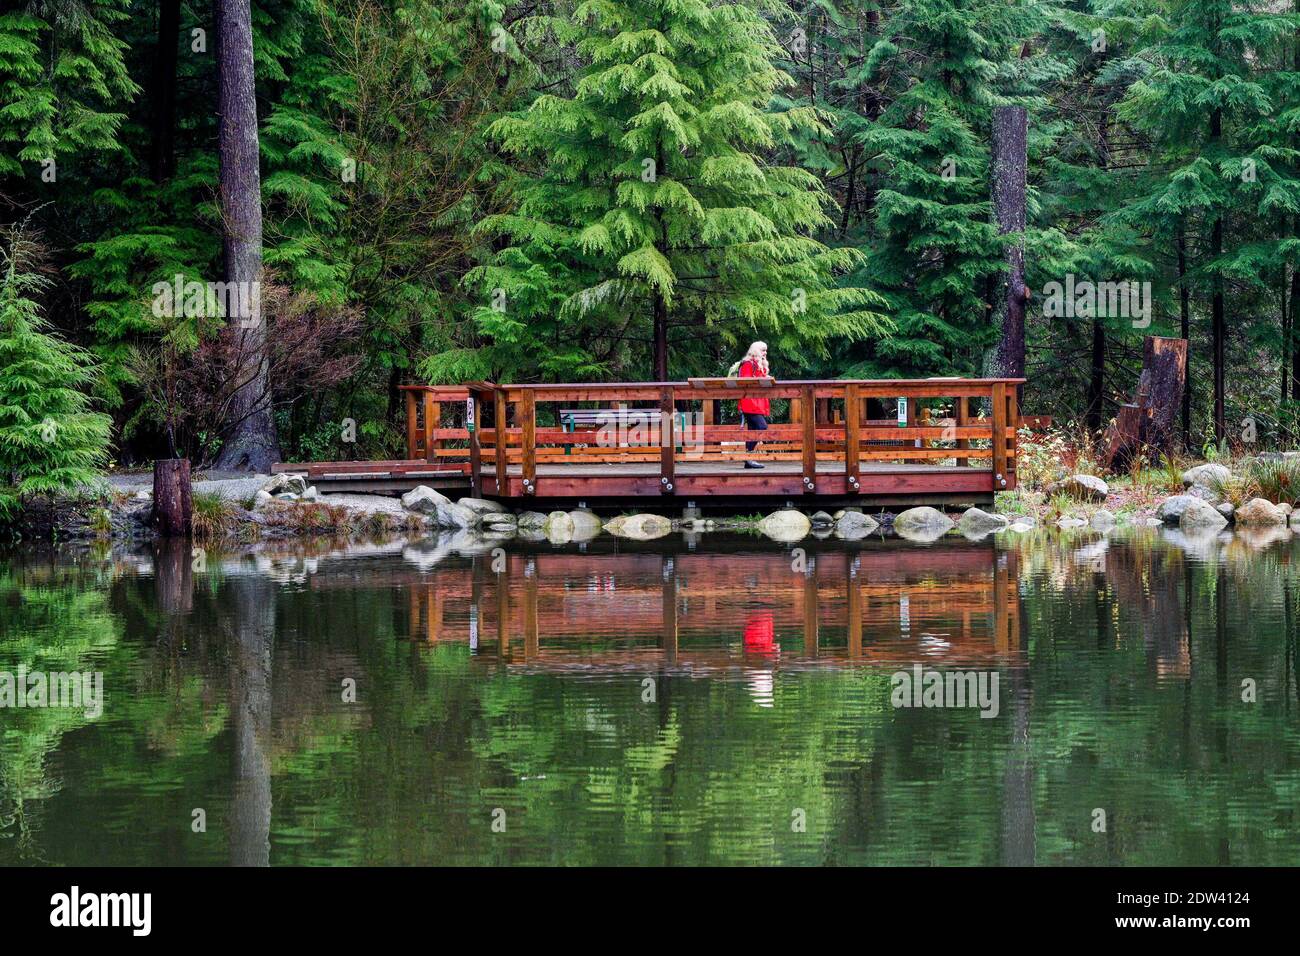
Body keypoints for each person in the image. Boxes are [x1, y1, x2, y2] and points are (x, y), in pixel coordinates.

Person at [737, 341, 770, 469]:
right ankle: (748, 457)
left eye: (766, 350)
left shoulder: (756, 364)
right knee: (762, 426)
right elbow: (746, 383)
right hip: (750, 402)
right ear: (756, 350)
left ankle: (749, 460)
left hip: (756, 402)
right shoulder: (747, 364)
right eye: (763, 350)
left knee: (752, 430)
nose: (765, 353)